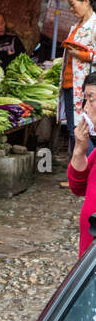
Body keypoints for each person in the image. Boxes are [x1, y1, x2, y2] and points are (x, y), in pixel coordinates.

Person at [61, 0, 96, 142]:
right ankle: (76, 165)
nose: (71, 8)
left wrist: (79, 54)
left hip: (86, 88)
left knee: (83, 131)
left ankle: (86, 165)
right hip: (70, 85)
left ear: (86, 2)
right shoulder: (77, 25)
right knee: (73, 130)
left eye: (73, 4)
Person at [66, 74, 96, 255]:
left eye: (91, 99)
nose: (85, 108)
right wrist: (79, 148)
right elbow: (77, 187)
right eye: (85, 99)